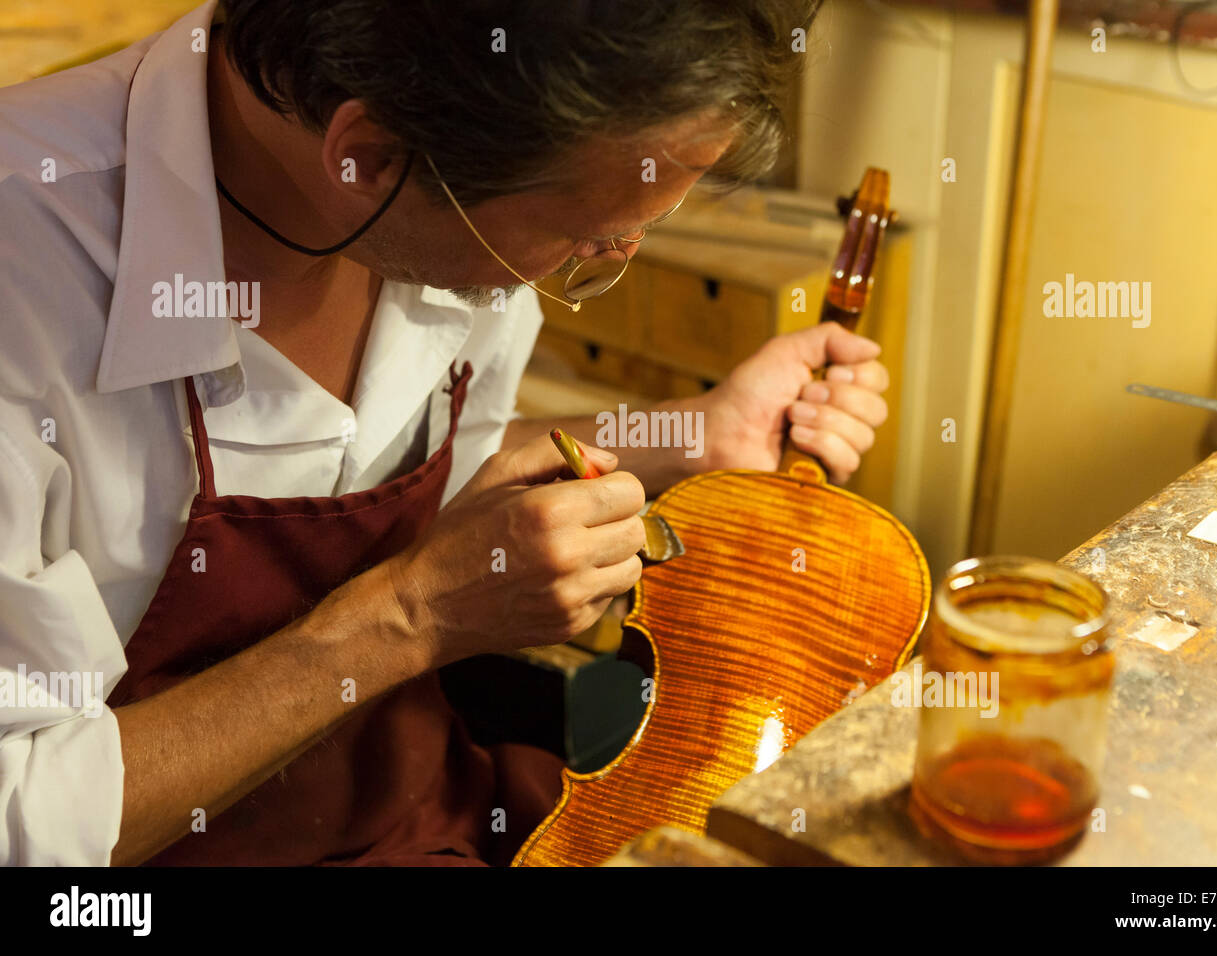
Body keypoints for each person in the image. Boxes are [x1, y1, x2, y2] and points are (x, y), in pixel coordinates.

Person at [0, 0, 890, 866]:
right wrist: (413, 613)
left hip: (420, 811)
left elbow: (421, 460)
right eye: (585, 239)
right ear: (371, 158)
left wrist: (694, 434)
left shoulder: (447, 180)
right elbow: (20, 814)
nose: (615, 259)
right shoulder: (26, 266)